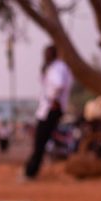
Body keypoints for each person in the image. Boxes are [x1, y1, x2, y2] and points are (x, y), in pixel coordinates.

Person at [23, 44, 73, 181]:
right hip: (48, 108)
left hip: (51, 108)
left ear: (53, 54)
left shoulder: (58, 67)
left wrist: (54, 99)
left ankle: (31, 171)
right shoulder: (54, 67)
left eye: (47, 54)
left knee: (40, 140)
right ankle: (30, 169)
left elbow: (58, 84)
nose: (45, 57)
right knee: (40, 140)